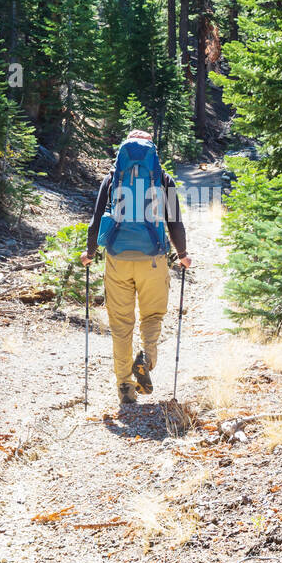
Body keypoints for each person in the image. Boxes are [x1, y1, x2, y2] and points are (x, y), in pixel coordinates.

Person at [80, 130, 191, 406]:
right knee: (152, 316)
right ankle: (146, 359)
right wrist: (183, 254)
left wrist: (90, 252)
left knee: (121, 325)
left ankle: (125, 388)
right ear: (153, 152)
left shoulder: (113, 177)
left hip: (117, 258)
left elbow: (96, 220)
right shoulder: (162, 179)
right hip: (152, 259)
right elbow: (174, 222)